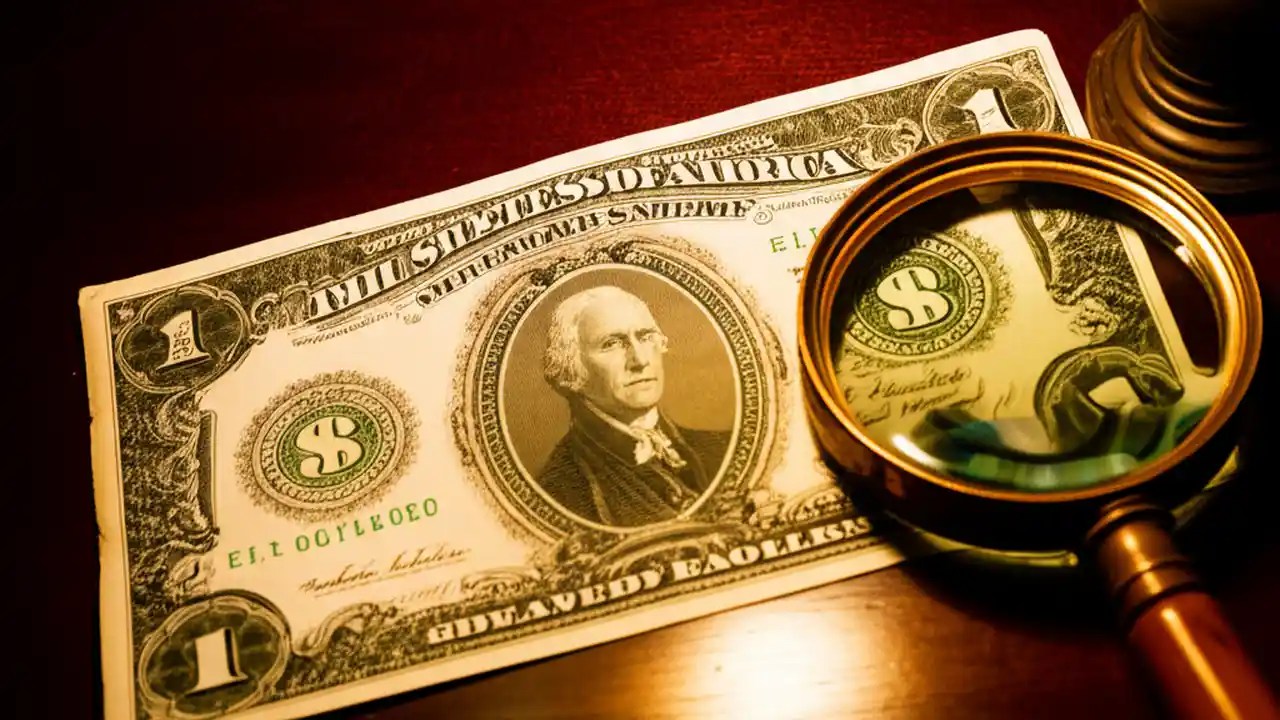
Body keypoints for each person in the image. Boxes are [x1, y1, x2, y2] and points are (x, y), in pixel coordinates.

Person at [537, 285, 730, 527]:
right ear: (572, 368)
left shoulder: (723, 446)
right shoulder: (560, 493)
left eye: (646, 337)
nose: (640, 360)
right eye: (612, 344)